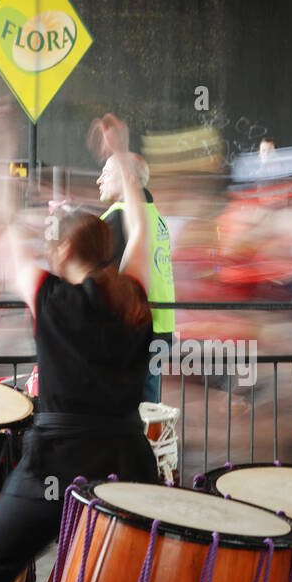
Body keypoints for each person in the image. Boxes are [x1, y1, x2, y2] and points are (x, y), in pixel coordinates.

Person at [0, 114, 160, 582]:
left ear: (65, 251)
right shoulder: (133, 297)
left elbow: (4, 227)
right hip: (128, 467)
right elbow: (142, 222)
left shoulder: (47, 295)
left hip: (54, 465)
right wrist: (123, 158)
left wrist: (4, 159)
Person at [98, 150, 175, 403]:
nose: (99, 180)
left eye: (106, 173)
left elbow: (92, 274)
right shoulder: (156, 216)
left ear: (128, 179)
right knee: (147, 407)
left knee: (120, 407)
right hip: (161, 326)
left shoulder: (117, 216)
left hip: (130, 329)